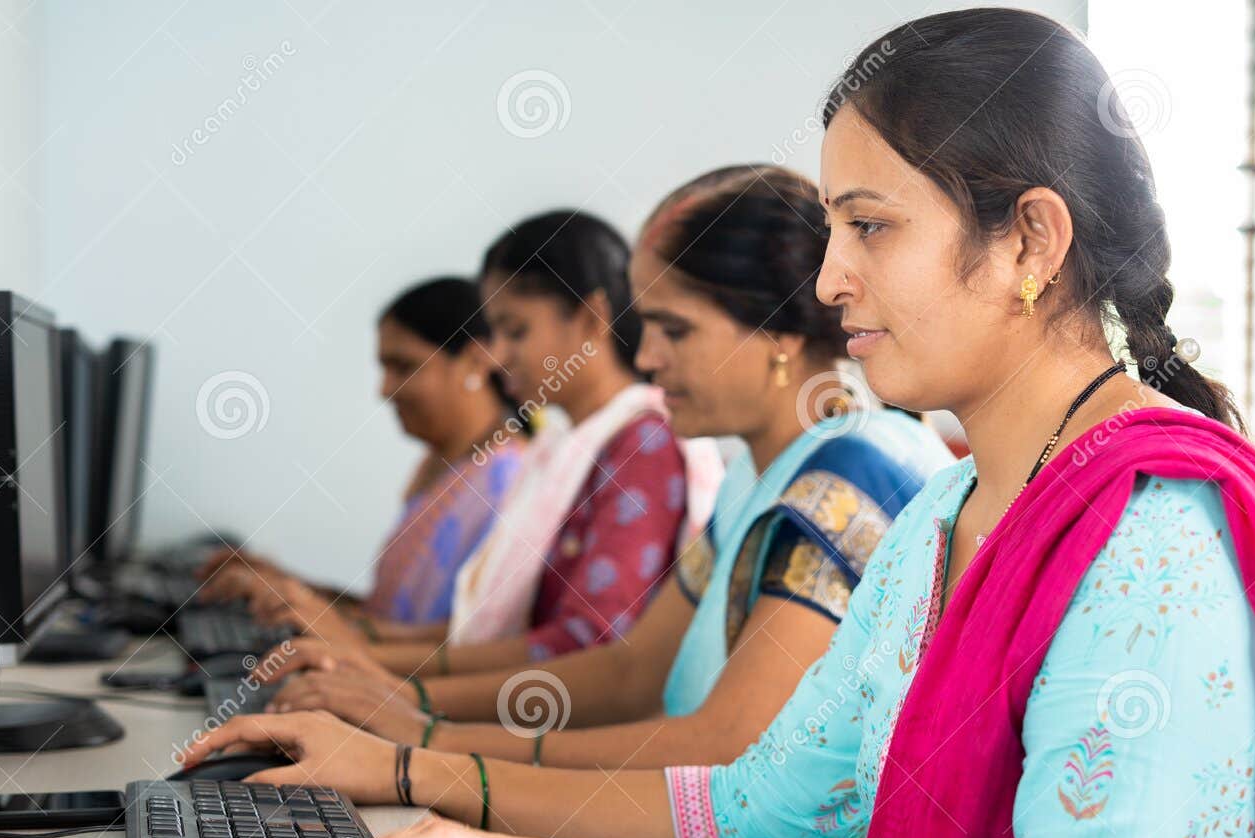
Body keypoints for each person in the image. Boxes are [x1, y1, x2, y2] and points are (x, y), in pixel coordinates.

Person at [183, 9, 1255, 838]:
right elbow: (761, 803)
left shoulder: (1156, 544)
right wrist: (410, 775)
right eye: (831, 228)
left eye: (870, 227)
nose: (826, 281)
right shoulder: (944, 509)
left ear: (1030, 242)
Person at [263, 166, 951, 778]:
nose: (646, 358)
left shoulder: (852, 471)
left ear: (779, 332)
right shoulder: (754, 477)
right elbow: (628, 670)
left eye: (674, 331)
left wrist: (425, 749)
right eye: (645, 326)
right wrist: (411, 714)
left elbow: (722, 746)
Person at [246, 210, 723, 677]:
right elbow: (479, 629)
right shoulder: (559, 448)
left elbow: (586, 642)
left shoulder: (642, 445)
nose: (498, 355)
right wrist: (353, 641)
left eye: (517, 331)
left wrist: (374, 663)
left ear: (590, 318)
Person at [197, 277, 524, 633]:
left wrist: (296, 601)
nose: (384, 389)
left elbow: (456, 643)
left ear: (476, 359)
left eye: (404, 367)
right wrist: (283, 584)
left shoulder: (509, 481)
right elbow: (390, 618)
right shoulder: (442, 467)